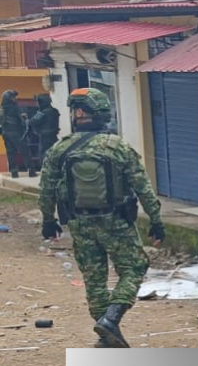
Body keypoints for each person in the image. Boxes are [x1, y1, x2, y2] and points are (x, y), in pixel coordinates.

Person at [37, 88, 164, 348]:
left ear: (79, 113)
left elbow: (46, 189)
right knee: (135, 266)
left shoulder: (59, 150)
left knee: (94, 278)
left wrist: (48, 220)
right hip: (116, 223)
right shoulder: (118, 147)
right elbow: (143, 187)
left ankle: (106, 332)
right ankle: (112, 318)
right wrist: (156, 220)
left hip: (79, 223)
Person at [2, 88, 29, 178]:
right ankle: (31, 171)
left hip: (6, 134)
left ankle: (14, 173)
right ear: (9, 98)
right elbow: (23, 120)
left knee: (10, 153)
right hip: (17, 132)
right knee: (24, 151)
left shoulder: (2, 109)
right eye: (13, 97)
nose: (15, 99)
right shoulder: (15, 108)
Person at [28, 91, 60, 161]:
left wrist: (26, 120)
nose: (37, 104)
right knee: (54, 153)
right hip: (54, 136)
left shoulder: (43, 113)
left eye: (38, 102)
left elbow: (32, 122)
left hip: (45, 137)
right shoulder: (54, 111)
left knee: (43, 154)